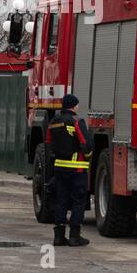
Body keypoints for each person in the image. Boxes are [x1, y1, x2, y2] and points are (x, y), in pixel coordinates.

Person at [48, 94, 91, 248]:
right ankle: (74, 237)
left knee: (61, 201)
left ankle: (59, 237)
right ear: (73, 106)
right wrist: (88, 157)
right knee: (78, 202)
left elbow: (49, 143)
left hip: (59, 169)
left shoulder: (53, 122)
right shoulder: (77, 121)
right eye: (77, 105)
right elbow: (86, 143)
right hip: (77, 169)